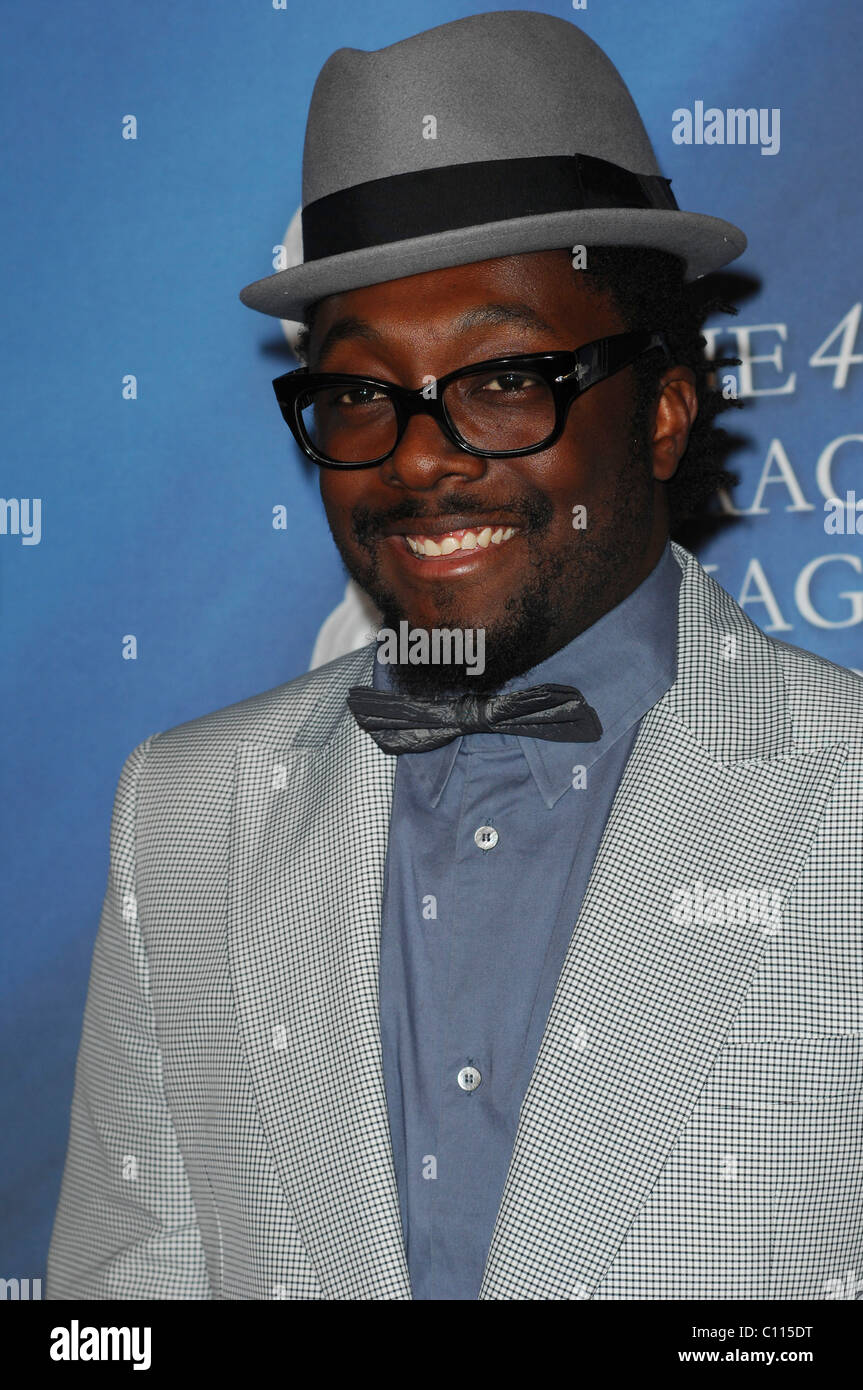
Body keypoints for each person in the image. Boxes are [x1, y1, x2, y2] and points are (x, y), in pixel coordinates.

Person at [48, 10, 863, 1301]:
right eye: (362, 393)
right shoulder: (181, 815)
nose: (420, 457)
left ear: (662, 409)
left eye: (501, 378)